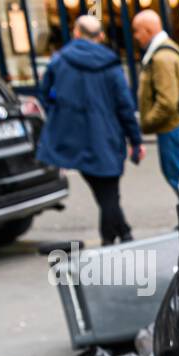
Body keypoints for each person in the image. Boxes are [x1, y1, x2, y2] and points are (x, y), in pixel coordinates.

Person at [38, 15, 143, 245]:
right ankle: (111, 240)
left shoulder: (59, 61)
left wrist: (63, 115)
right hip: (105, 136)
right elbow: (124, 106)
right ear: (101, 36)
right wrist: (135, 139)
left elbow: (45, 96)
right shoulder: (110, 63)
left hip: (74, 138)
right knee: (108, 193)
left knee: (104, 192)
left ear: (76, 33)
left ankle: (123, 232)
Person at [132, 9, 179, 192]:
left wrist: (147, 122)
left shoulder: (161, 57)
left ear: (148, 30)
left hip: (171, 126)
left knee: (178, 179)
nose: (135, 36)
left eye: (137, 31)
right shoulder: (163, 51)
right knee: (178, 178)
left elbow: (167, 102)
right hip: (174, 125)